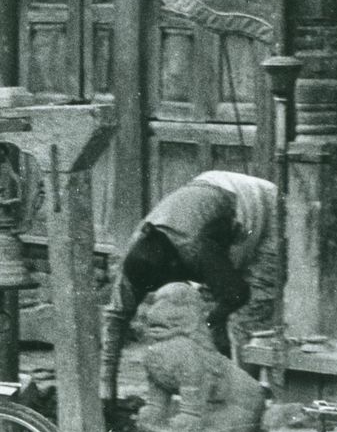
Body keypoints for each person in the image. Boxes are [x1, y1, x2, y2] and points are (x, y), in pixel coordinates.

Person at [99, 170, 278, 408]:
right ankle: (220, 393)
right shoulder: (138, 251)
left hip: (263, 205)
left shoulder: (194, 247)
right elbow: (116, 316)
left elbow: (237, 294)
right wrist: (106, 389)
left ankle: (243, 403)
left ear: (175, 267)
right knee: (210, 309)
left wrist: (206, 323)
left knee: (247, 317)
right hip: (216, 206)